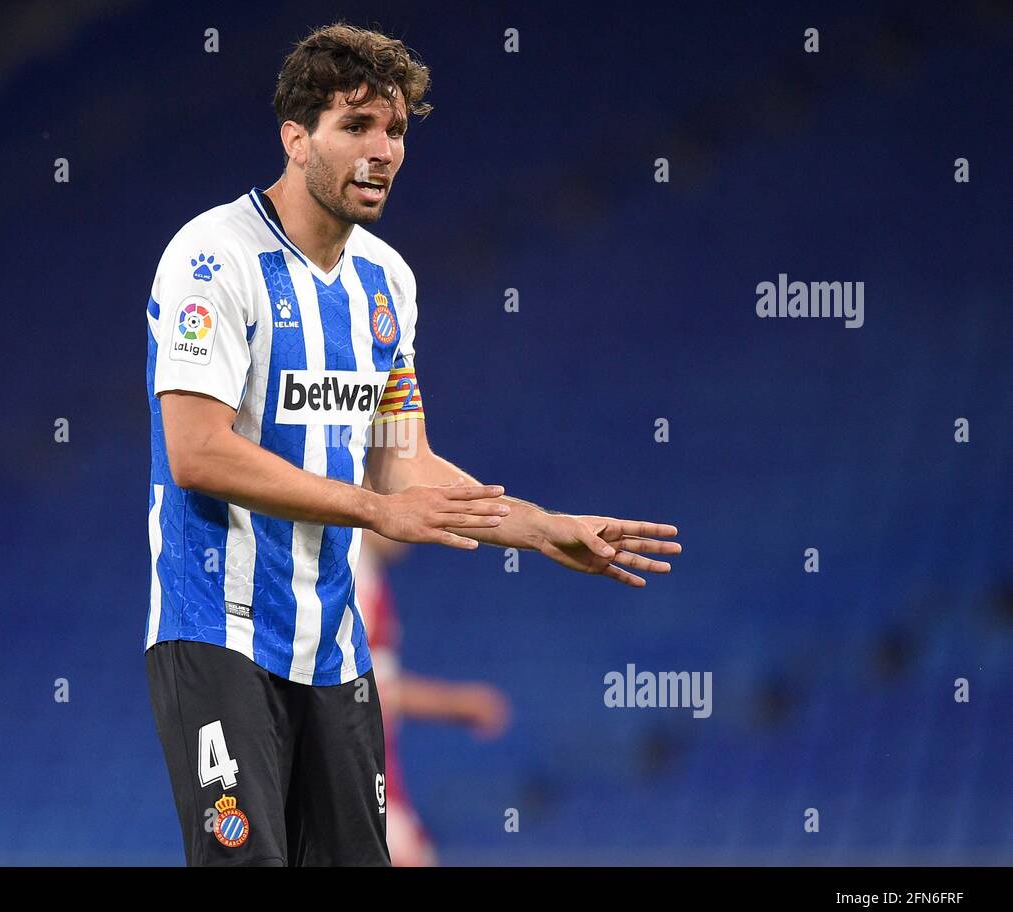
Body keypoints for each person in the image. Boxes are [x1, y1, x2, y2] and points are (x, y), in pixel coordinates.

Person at [143, 21, 681, 866]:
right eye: (355, 125)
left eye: (394, 130)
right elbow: (197, 453)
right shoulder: (213, 258)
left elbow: (404, 461)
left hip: (336, 651)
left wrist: (541, 528)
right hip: (219, 634)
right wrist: (373, 509)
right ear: (295, 138)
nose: (382, 150)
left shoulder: (387, 283)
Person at [355, 528, 511, 866]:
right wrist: (456, 704)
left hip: (369, 768)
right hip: (352, 772)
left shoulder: (365, 573)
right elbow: (357, 690)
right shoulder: (352, 575)